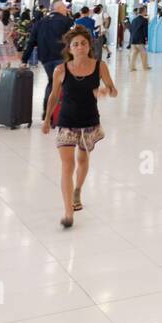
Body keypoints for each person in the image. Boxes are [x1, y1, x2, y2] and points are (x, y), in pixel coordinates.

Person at [42, 25, 117, 228]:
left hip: (90, 122)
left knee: (82, 159)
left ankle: (78, 191)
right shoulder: (61, 70)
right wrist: (47, 119)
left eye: (83, 43)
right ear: (70, 48)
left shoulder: (100, 66)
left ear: (88, 46)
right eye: (75, 44)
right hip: (66, 122)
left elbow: (113, 90)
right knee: (68, 165)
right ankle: (68, 212)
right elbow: (54, 96)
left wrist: (105, 91)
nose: (80, 47)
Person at [22, 0, 76, 119]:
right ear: (58, 8)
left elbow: (31, 42)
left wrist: (24, 60)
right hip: (61, 57)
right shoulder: (66, 21)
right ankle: (58, 114)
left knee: (52, 82)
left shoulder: (40, 22)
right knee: (63, 84)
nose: (65, 10)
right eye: (64, 7)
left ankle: (48, 112)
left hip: (46, 59)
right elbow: (74, 39)